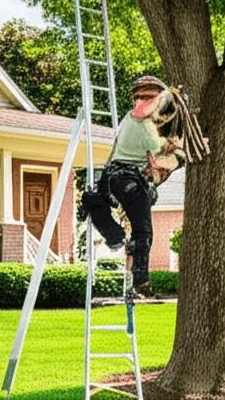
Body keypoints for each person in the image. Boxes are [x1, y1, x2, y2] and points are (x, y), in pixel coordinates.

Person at [79, 75, 185, 298]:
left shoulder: (146, 124)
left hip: (117, 178)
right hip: (123, 178)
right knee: (143, 230)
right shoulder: (139, 122)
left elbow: (164, 165)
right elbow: (165, 152)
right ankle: (141, 283)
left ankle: (110, 228)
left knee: (136, 207)